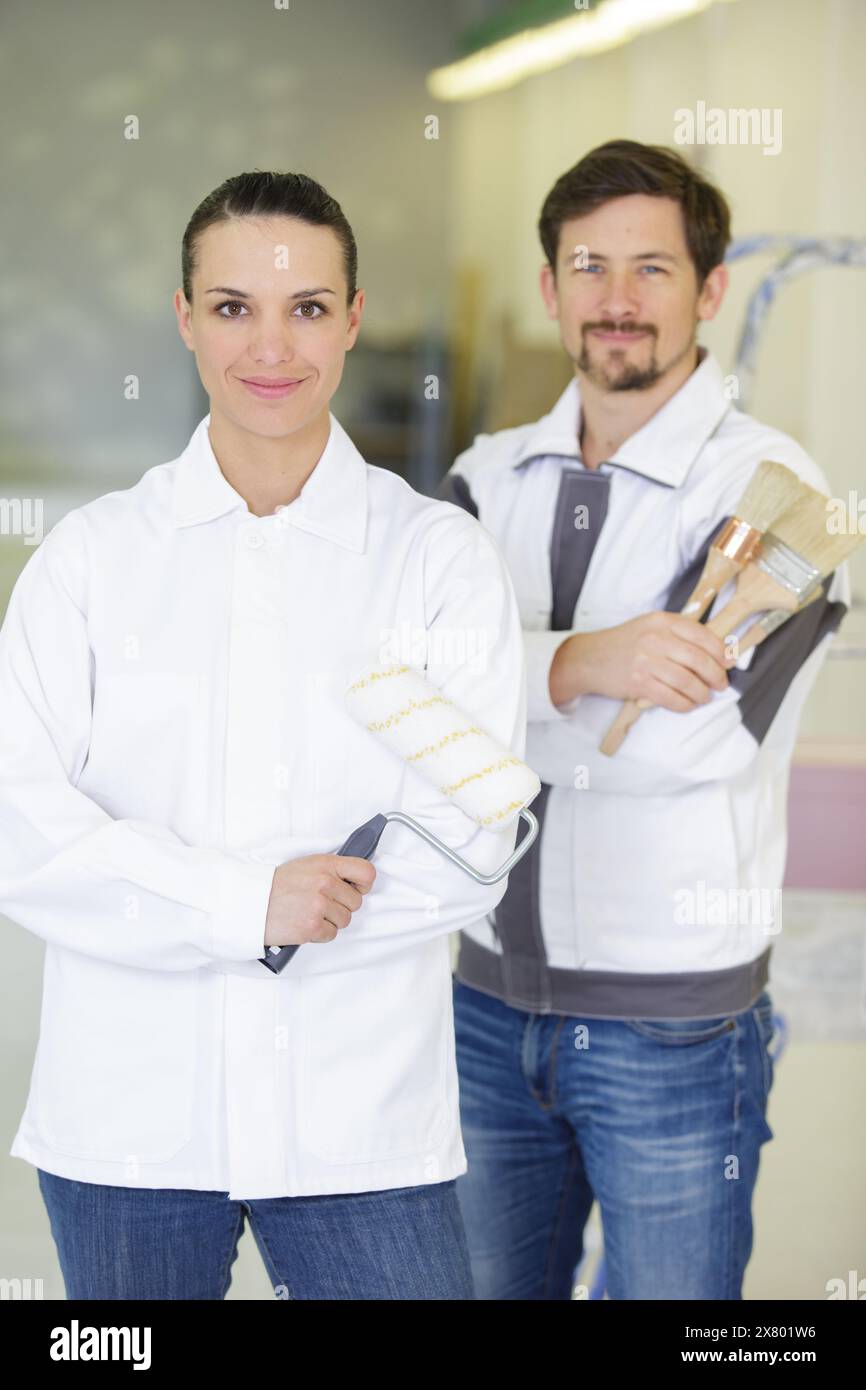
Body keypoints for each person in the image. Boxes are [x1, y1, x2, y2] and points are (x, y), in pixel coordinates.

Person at [0, 171, 528, 1300]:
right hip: (131, 1116)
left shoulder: (433, 560)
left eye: (304, 307)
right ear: (184, 318)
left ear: (350, 317)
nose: (270, 346)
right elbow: (22, 829)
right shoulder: (88, 563)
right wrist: (247, 903)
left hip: (361, 1123)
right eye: (233, 306)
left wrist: (223, 898)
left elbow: (476, 833)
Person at [437, 139, 850, 1300]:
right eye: (587, 266)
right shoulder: (481, 481)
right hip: (481, 1003)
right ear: (548, 288)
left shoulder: (778, 506)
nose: (615, 300)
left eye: (650, 270)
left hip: (670, 1030)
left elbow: (687, 745)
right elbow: (406, 710)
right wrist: (587, 663)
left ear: (708, 289)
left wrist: (503, 694)